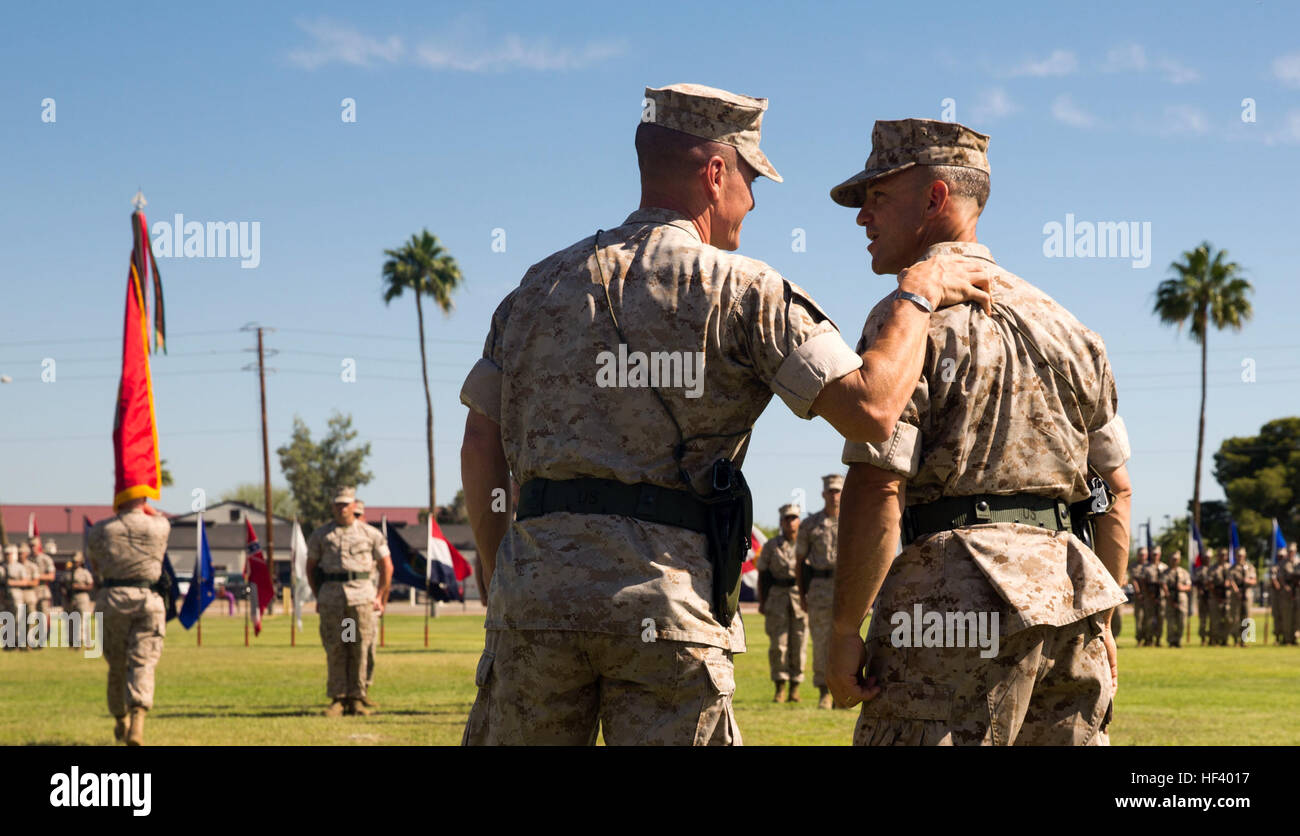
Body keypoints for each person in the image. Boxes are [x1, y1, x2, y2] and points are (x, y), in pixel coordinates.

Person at [457, 85, 994, 746]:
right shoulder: (743, 290)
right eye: (750, 178)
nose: (754, 199)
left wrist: (502, 573)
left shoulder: (537, 286)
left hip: (532, 601)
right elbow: (875, 410)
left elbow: (481, 441)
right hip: (668, 607)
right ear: (716, 173)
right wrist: (919, 291)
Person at [826, 117, 1131, 746]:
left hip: (954, 602)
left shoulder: (909, 319)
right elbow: (1116, 488)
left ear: (936, 198)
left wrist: (841, 633)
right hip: (1071, 603)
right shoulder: (1069, 327)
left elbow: (878, 488)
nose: (862, 218)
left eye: (878, 197)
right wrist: (1103, 615)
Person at [87, 497, 170, 745]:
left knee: (117, 665)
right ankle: (138, 720)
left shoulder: (101, 529)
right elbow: (159, 516)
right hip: (148, 599)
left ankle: (119, 717)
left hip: (112, 599)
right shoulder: (160, 526)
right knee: (143, 663)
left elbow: (95, 566)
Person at [305, 487, 393, 717]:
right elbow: (310, 568)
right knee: (336, 647)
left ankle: (357, 697)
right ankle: (338, 698)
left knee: (359, 646)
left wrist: (379, 595)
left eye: (346, 504)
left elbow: (386, 566)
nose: (342, 508)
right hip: (333, 601)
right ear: (332, 507)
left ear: (354, 506)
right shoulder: (321, 535)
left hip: (360, 599)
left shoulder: (370, 534)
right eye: (337, 504)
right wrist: (318, 595)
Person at [796, 474, 843, 709]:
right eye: (830, 491)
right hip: (820, 588)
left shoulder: (855, 521)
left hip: (847, 588)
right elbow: (799, 562)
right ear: (823, 494)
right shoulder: (810, 524)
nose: (834, 495)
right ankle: (825, 691)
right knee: (822, 641)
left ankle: (843, 691)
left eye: (838, 491)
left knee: (846, 639)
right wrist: (802, 595)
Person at [756, 503, 806, 703]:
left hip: (799, 597)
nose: (790, 522)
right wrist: (762, 601)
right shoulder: (771, 546)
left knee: (799, 643)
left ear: (799, 521)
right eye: (787, 518)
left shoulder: (806, 544)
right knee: (778, 645)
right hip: (777, 597)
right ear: (781, 521)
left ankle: (795, 687)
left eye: (793, 518)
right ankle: (780, 687)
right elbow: (762, 574)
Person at [355, 499, 380, 706]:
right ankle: (350, 692)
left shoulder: (372, 538)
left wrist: (382, 598)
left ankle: (364, 689)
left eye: (358, 515)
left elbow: (387, 569)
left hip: (370, 601)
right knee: (349, 646)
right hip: (350, 602)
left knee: (368, 649)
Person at [1162, 550, 1191, 648]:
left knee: (1182, 620)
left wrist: (1183, 588)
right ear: (1170, 560)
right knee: (1170, 621)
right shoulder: (1166, 572)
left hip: (1182, 598)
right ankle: (1171, 641)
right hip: (1170, 597)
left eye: (1176, 559)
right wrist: (1169, 598)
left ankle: (1178, 640)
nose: (1174, 561)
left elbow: (1189, 586)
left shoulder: (1184, 572)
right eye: (1173, 559)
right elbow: (1164, 585)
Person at [67, 552, 96, 649]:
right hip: (71, 597)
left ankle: (83, 641)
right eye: (74, 561)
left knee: (83, 619)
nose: (75, 563)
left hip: (82, 596)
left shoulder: (84, 572)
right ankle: (72, 642)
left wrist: (79, 587)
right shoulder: (69, 572)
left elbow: (91, 585)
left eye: (77, 561)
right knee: (71, 620)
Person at [1207, 548, 1235, 646]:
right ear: (1217, 556)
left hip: (1227, 597)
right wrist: (1216, 596)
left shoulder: (1230, 568)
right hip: (1216, 596)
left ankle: (1225, 639)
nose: (1222, 557)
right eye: (1220, 555)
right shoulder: (1212, 568)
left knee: (1228, 619)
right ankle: (1215, 640)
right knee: (1215, 620)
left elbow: (1233, 582)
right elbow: (1209, 584)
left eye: (1224, 555)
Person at [1228, 547, 1256, 646]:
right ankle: (1235, 639)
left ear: (1245, 556)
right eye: (1238, 555)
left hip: (1247, 594)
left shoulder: (1250, 567)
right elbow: (1231, 581)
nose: (1240, 557)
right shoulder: (1232, 568)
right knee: (1235, 617)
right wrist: (1237, 591)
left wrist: (1248, 581)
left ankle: (1243, 640)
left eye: (1242, 555)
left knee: (1247, 618)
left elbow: (1254, 580)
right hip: (1236, 595)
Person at [1132, 546, 1149, 645]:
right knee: (1139, 618)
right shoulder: (1134, 566)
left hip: (1149, 597)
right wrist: (1138, 593)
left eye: (1144, 554)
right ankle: (1139, 639)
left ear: (1146, 555)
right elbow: (1134, 580)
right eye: (1140, 554)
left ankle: (1148, 639)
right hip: (1139, 596)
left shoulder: (1149, 566)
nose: (1142, 556)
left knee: (1148, 618)